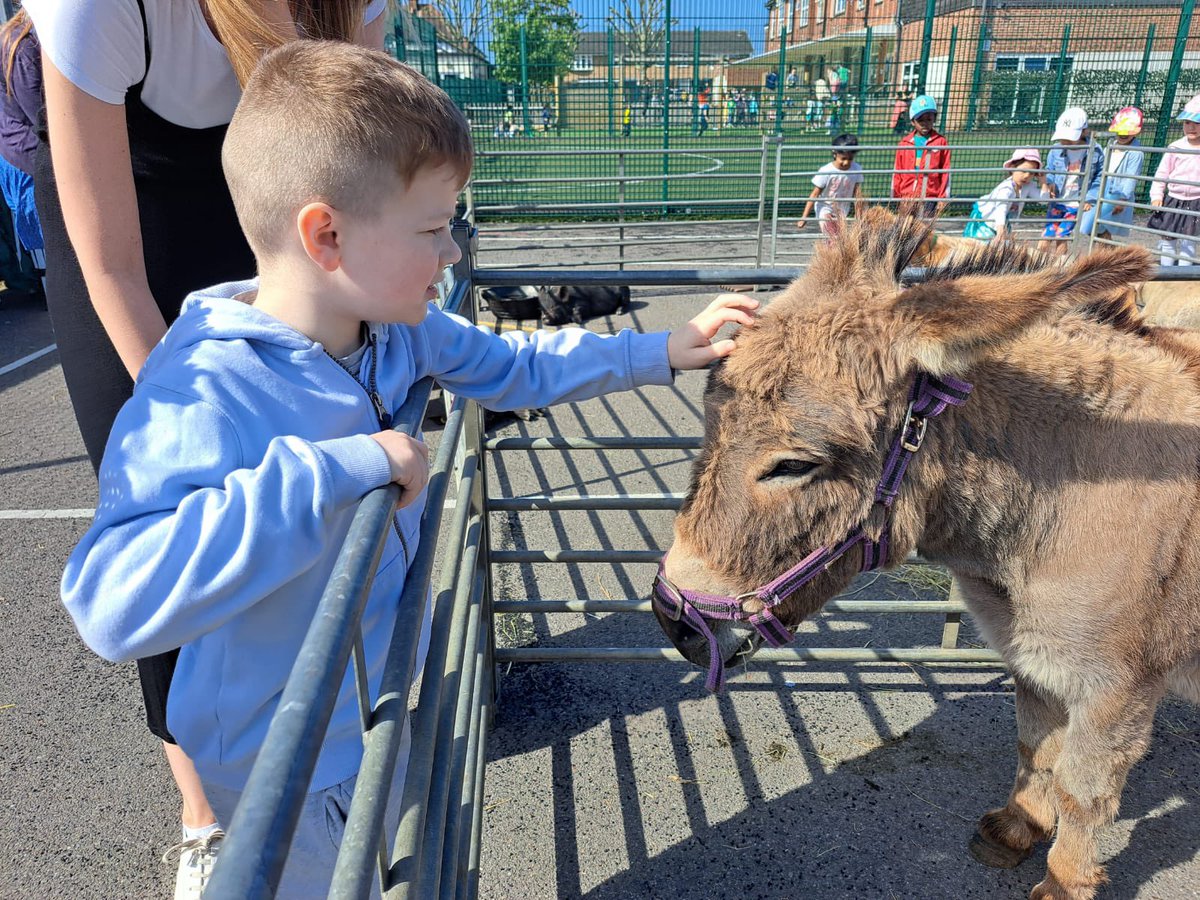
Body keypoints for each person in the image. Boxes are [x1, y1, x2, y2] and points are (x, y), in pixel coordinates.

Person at [60, 41, 759, 898]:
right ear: (326, 236)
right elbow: (108, 601)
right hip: (278, 751)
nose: (451, 259)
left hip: (375, 703)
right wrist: (331, 474)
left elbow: (516, 369)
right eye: (432, 230)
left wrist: (660, 351)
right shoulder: (201, 390)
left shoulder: (397, 327)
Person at [23, 1, 390, 896]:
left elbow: (365, 177)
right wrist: (215, 421)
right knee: (175, 506)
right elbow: (109, 261)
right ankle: (206, 814)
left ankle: (327, 738)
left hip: (277, 196)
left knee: (328, 474)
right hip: (124, 212)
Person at [0, 9, 45, 289]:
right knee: (54, 253)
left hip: (22, 155)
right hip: (31, 161)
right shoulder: (23, 45)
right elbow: (42, 119)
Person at [1036, 107, 1103, 256]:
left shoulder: (1095, 151)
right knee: (1047, 234)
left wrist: (1090, 198)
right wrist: (1049, 183)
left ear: (1084, 131)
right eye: (1062, 136)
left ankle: (1059, 267)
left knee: (1062, 235)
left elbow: (1099, 177)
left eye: (1069, 137)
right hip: (1058, 200)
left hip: (1075, 203)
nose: (1064, 140)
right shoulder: (1056, 150)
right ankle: (1038, 265)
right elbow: (1051, 170)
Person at [1148, 94, 1200, 267]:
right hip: (1173, 199)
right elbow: (1162, 173)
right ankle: (1166, 273)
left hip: (1196, 201)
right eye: (1187, 122)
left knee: (1188, 241)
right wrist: (1156, 195)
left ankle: (1183, 278)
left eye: (1197, 123)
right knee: (1168, 239)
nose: (1191, 127)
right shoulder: (1176, 147)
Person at [1079, 107, 1146, 242]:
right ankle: (1110, 257)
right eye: (1120, 131)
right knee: (1098, 228)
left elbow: (1130, 178)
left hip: (1116, 194)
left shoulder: (1136, 153)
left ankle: (1109, 256)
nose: (1122, 134)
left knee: (1094, 225)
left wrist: (1122, 200)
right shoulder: (1110, 146)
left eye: (1127, 132)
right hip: (1102, 191)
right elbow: (1100, 171)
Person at [962, 147, 1054, 243]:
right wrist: (1000, 231)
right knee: (980, 246)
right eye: (1023, 171)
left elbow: (1043, 201)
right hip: (985, 219)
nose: (1027, 176)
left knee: (1001, 247)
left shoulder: (1027, 186)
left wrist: (1043, 182)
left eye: (1032, 173)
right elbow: (1001, 209)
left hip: (1002, 222)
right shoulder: (1006, 189)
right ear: (1013, 168)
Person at [892, 94, 951, 218]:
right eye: (920, 120)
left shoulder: (940, 142)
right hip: (907, 196)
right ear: (913, 121)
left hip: (930, 196)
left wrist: (942, 198)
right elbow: (897, 172)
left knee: (925, 232)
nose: (925, 123)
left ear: (934, 119)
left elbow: (946, 172)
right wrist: (896, 196)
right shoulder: (904, 144)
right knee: (905, 230)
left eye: (929, 119)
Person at [797, 133, 865, 237]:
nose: (846, 162)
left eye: (850, 159)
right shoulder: (826, 170)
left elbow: (857, 193)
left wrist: (859, 214)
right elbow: (815, 194)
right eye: (843, 158)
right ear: (835, 153)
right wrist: (804, 217)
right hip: (825, 207)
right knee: (831, 235)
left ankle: (831, 252)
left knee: (839, 239)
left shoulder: (856, 169)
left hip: (842, 210)